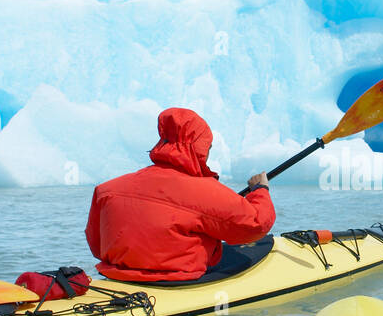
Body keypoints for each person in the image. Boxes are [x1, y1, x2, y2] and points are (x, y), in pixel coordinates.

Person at [85, 107, 275, 284]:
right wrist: (260, 190)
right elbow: (256, 225)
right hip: (178, 281)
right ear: (199, 148)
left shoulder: (106, 190)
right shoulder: (206, 192)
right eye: (207, 147)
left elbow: (96, 244)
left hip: (118, 277)